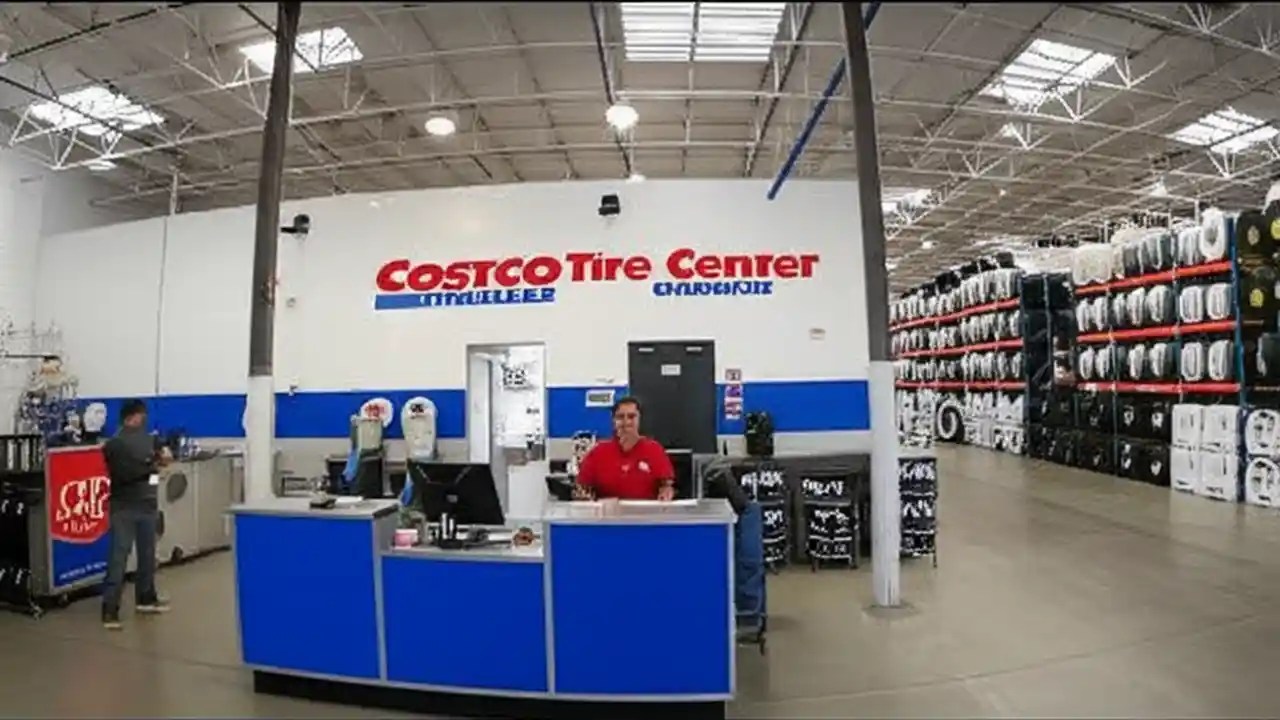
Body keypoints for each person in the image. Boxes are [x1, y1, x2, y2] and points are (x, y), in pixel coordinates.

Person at [101, 399, 172, 630]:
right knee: (118, 558)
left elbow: (154, 469)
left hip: (147, 506)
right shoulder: (115, 444)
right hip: (124, 508)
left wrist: (156, 466)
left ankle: (146, 598)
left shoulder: (149, 439)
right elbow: (122, 475)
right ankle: (110, 610)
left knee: (148, 556)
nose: (144, 419)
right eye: (141, 415)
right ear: (132, 416)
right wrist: (150, 467)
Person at [573, 396, 677, 501]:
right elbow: (582, 488)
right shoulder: (598, 452)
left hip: (646, 515)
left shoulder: (654, 450)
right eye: (620, 417)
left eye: (631, 417)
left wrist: (666, 492)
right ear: (613, 420)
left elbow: (666, 486)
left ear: (639, 419)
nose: (626, 422)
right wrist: (583, 496)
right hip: (608, 515)